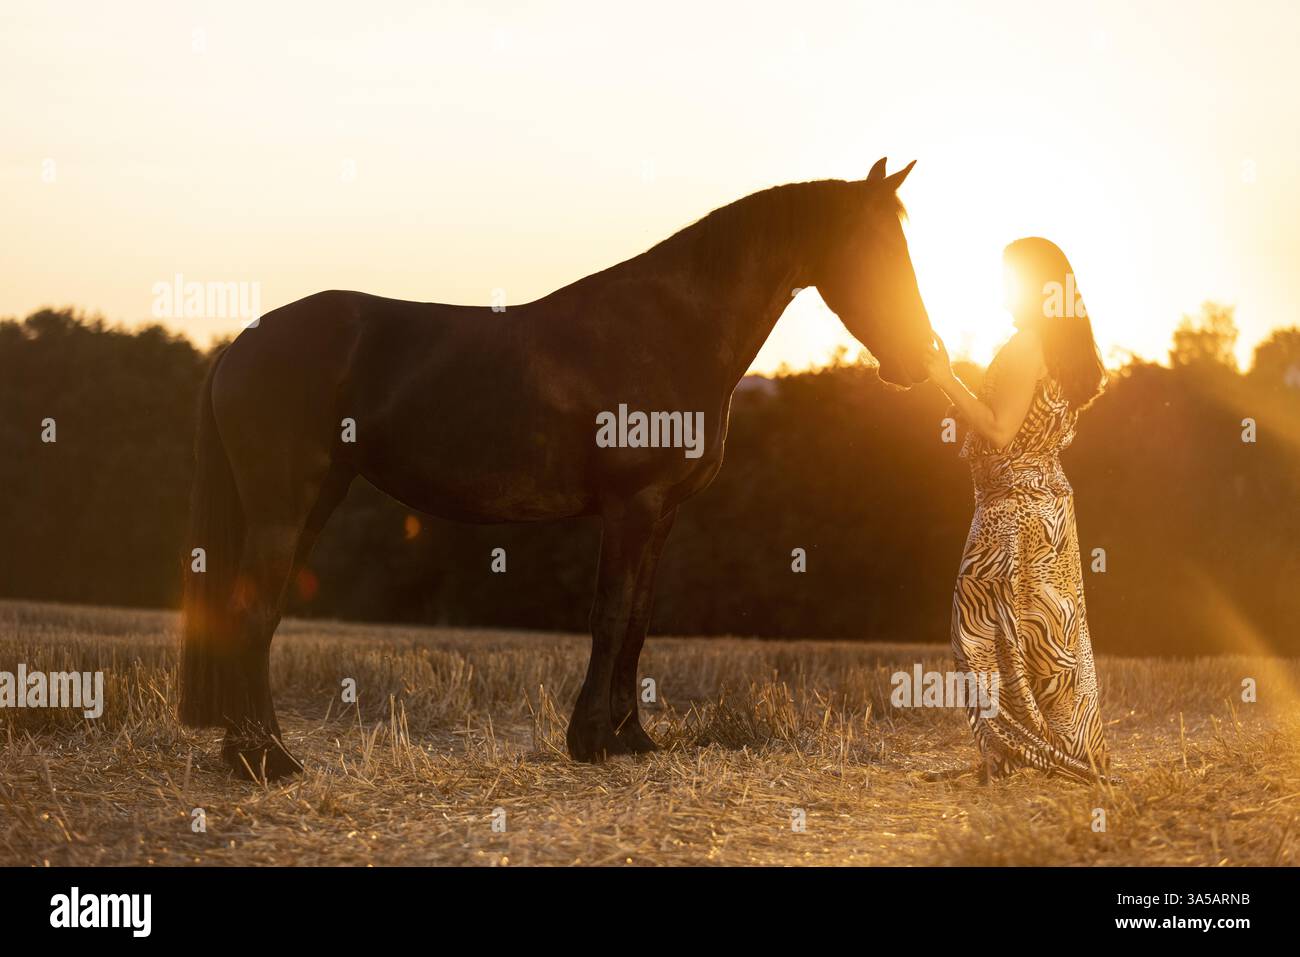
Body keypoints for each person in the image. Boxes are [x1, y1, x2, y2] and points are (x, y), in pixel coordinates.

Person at [922, 237, 1113, 783]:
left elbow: (1000, 430)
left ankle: (1017, 753)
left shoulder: (1028, 344)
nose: (1003, 290)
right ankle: (1040, 754)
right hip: (1049, 507)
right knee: (1043, 637)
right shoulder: (1063, 347)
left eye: (1010, 277)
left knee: (978, 628)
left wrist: (942, 375)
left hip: (1013, 509)